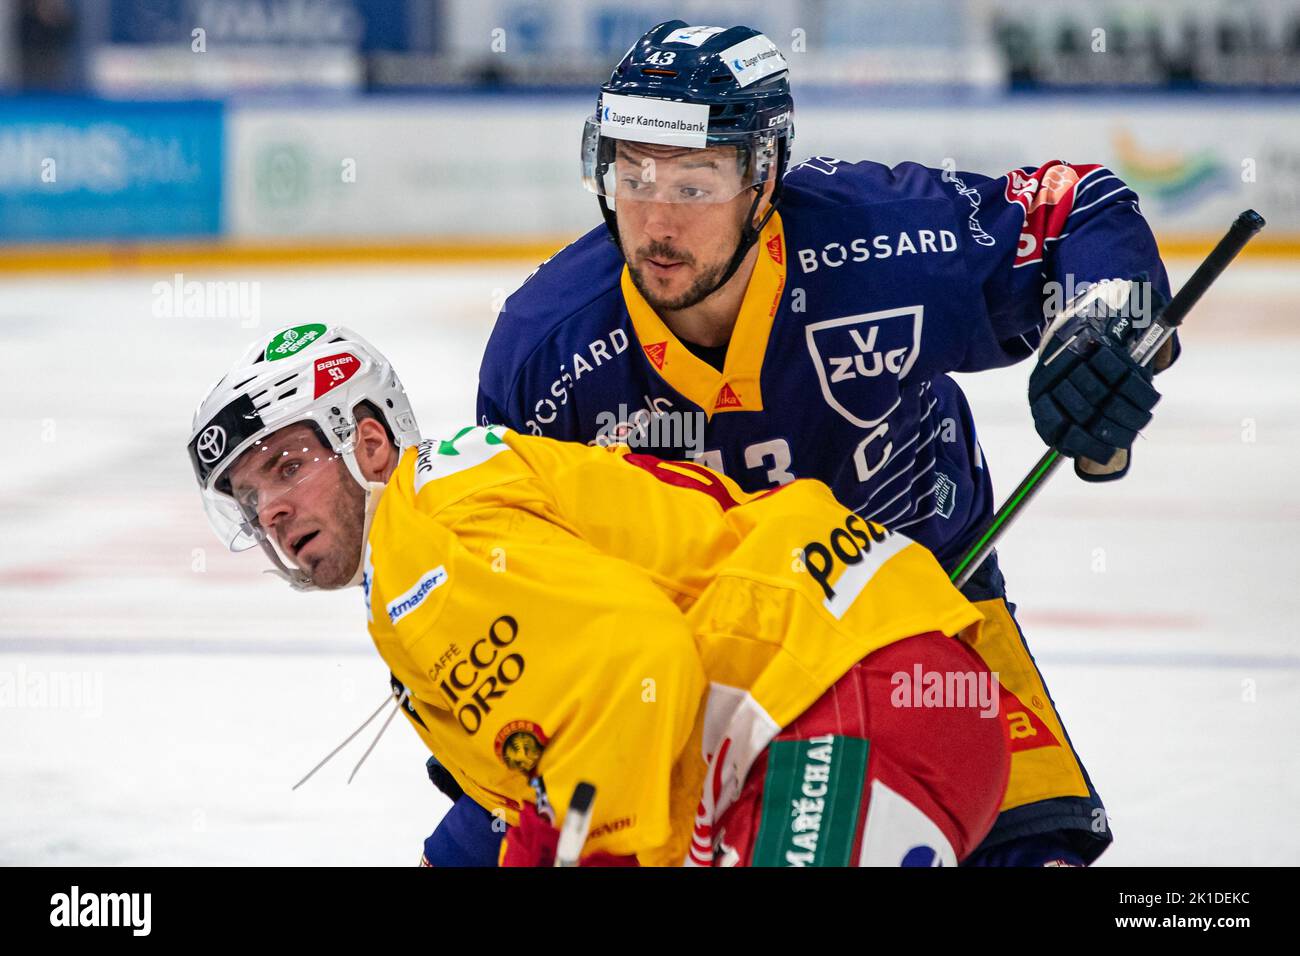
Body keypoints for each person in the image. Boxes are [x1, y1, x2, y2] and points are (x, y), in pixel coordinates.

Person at [469, 20, 1180, 866]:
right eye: (631, 174)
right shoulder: (546, 350)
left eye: (693, 183)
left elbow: (1078, 206)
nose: (655, 220)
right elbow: (512, 579)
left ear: (764, 174)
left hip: (930, 609)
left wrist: (1098, 332)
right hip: (716, 667)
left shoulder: (882, 243)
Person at [187, 324, 1009, 866]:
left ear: (368, 442)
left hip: (840, 706)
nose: (274, 509)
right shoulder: (449, 506)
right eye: (251, 496)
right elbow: (580, 741)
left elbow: (633, 663)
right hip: (887, 693)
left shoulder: (419, 541)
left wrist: (576, 847)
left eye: (289, 466)